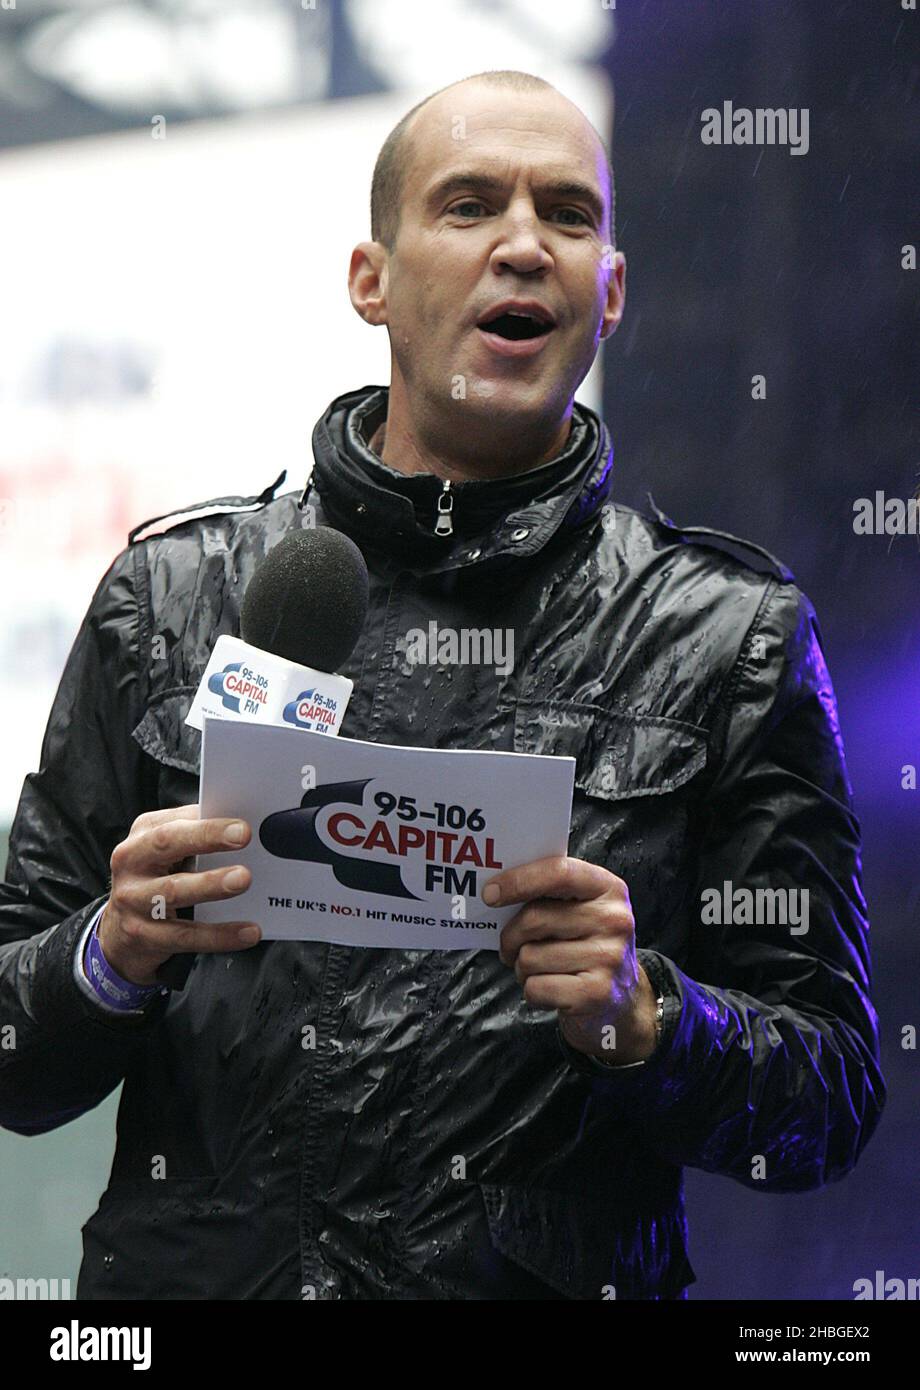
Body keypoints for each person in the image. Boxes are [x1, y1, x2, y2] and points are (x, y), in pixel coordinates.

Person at [0, 70, 884, 1300]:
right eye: (469, 205)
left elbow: (828, 1100)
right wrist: (107, 953)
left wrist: (649, 1018)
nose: (523, 243)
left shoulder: (725, 635)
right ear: (371, 278)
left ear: (610, 293)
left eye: (567, 215)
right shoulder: (169, 594)